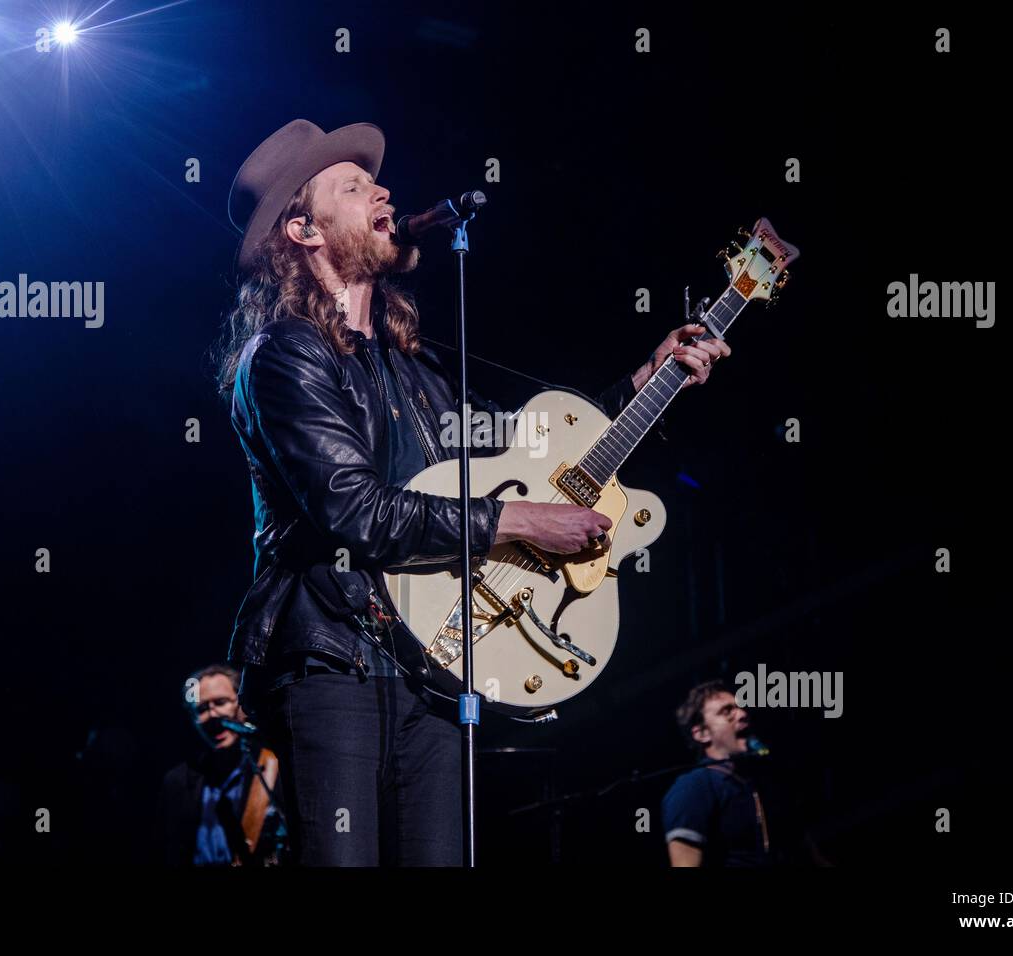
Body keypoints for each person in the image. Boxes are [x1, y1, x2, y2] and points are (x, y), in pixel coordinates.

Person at [214, 119, 730, 865]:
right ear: (303, 229)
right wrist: (521, 522)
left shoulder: (413, 371)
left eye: (375, 180)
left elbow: (528, 453)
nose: (382, 189)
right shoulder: (286, 356)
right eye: (352, 186)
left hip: (430, 664)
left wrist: (645, 384)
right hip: (333, 666)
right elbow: (355, 510)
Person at [155, 664, 283, 865]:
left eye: (221, 702)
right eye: (202, 709)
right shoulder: (177, 781)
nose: (213, 715)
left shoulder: (274, 768)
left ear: (241, 705)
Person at [661, 679, 773, 867]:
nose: (743, 714)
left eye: (741, 708)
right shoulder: (694, 786)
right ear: (702, 734)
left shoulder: (760, 783)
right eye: (727, 711)